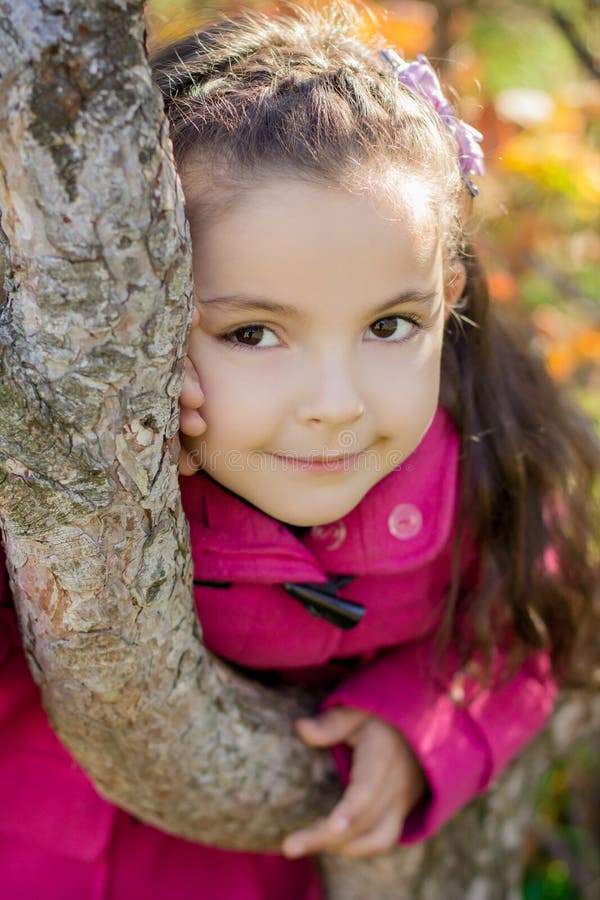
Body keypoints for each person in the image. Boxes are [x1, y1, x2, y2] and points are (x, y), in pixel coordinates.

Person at [0, 3, 598, 899]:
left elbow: (528, 622)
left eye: (390, 325)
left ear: (449, 297)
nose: (335, 405)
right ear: (141, 315)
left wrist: (421, 725)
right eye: (251, 335)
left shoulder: (475, 467)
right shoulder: (65, 460)